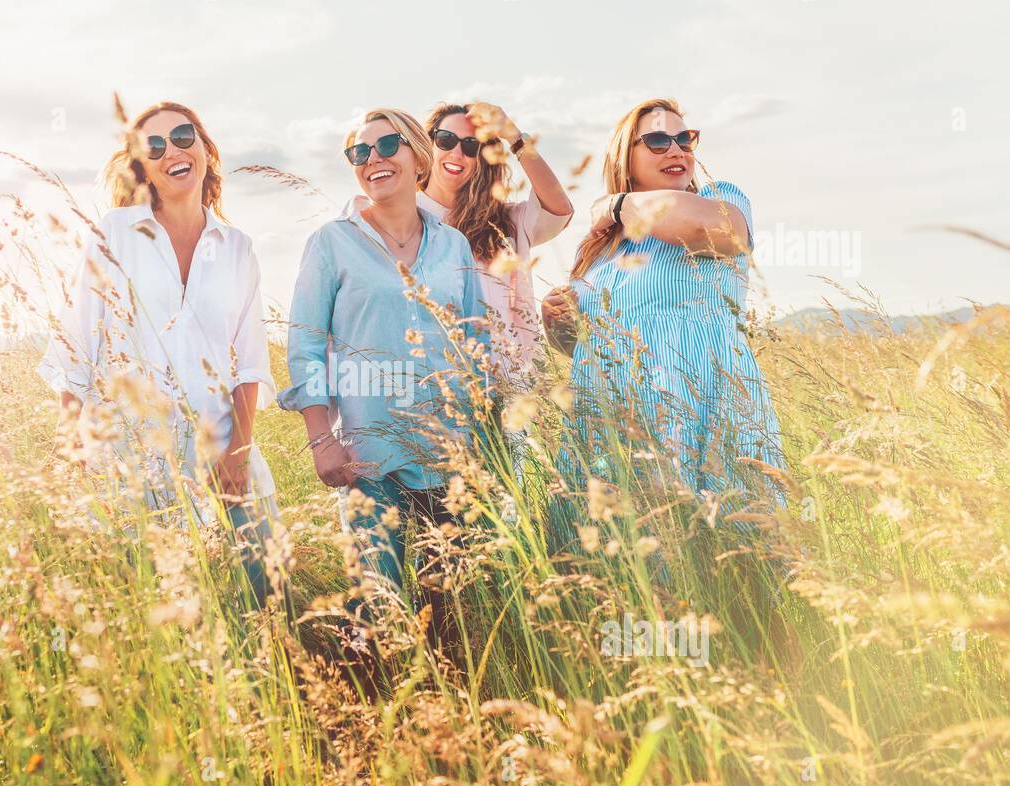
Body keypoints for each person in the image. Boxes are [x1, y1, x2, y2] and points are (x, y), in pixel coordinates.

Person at [38, 101, 281, 605]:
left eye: (183, 136)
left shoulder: (237, 247)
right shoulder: (116, 233)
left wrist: (238, 448)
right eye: (155, 146)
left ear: (206, 151)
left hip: (220, 433)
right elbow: (76, 342)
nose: (172, 150)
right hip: (130, 440)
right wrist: (71, 440)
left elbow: (251, 358)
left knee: (262, 580)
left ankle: (263, 668)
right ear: (142, 166)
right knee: (154, 593)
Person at [277, 107, 491, 666]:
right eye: (359, 152)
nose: (372, 160)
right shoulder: (331, 244)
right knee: (378, 613)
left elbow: (475, 345)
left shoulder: (453, 247)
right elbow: (304, 344)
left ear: (418, 156)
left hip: (450, 453)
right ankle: (372, 731)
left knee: (451, 617)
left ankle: (447, 736)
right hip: (370, 455)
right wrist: (323, 439)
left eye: (386, 145)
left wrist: (481, 442)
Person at [541, 97, 785, 507]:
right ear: (625, 156)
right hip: (614, 419)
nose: (675, 150)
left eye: (684, 139)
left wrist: (619, 204)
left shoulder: (717, 198)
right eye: (656, 140)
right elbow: (584, 348)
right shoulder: (600, 249)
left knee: (720, 547)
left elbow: (722, 233)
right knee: (618, 559)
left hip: (703, 402)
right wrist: (556, 321)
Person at [418, 102, 573, 382]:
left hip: (503, 389)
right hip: (427, 384)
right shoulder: (400, 214)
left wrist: (514, 138)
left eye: (471, 146)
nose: (457, 153)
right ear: (428, 144)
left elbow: (559, 210)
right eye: (445, 140)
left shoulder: (504, 223)